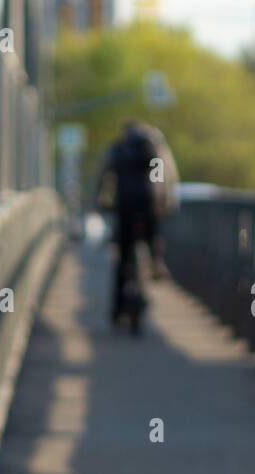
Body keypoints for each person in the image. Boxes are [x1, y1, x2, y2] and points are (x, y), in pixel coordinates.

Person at [98, 120, 178, 332]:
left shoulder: (118, 148)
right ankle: (157, 262)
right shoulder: (151, 146)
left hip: (123, 205)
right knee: (152, 236)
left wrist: (102, 199)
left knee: (122, 258)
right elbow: (162, 173)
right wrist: (162, 199)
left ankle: (116, 310)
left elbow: (105, 175)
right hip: (147, 204)